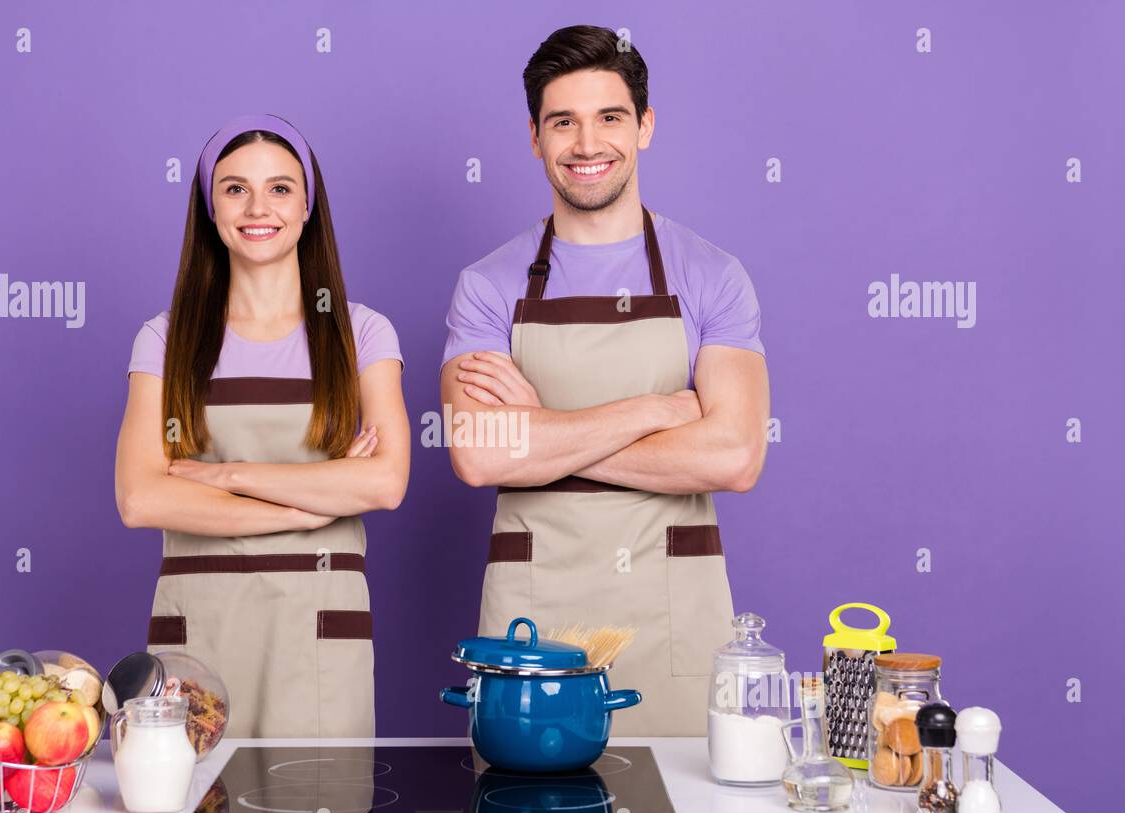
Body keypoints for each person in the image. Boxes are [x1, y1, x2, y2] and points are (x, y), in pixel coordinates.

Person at [440, 27, 770, 736]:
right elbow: (480, 455)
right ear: (535, 137)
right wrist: (661, 410)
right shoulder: (487, 285)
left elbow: (735, 457)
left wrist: (544, 432)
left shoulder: (712, 275)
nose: (587, 144)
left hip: (671, 613)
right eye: (563, 122)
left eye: (610, 118)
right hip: (534, 619)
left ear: (645, 126)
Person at [115, 114, 409, 738]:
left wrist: (227, 475)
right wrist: (311, 501)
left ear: (307, 206)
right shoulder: (164, 340)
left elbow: (384, 484)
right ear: (210, 208)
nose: (258, 207)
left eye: (279, 188)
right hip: (199, 628)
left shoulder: (363, 334)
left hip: (318, 627)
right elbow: (141, 498)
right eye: (234, 188)